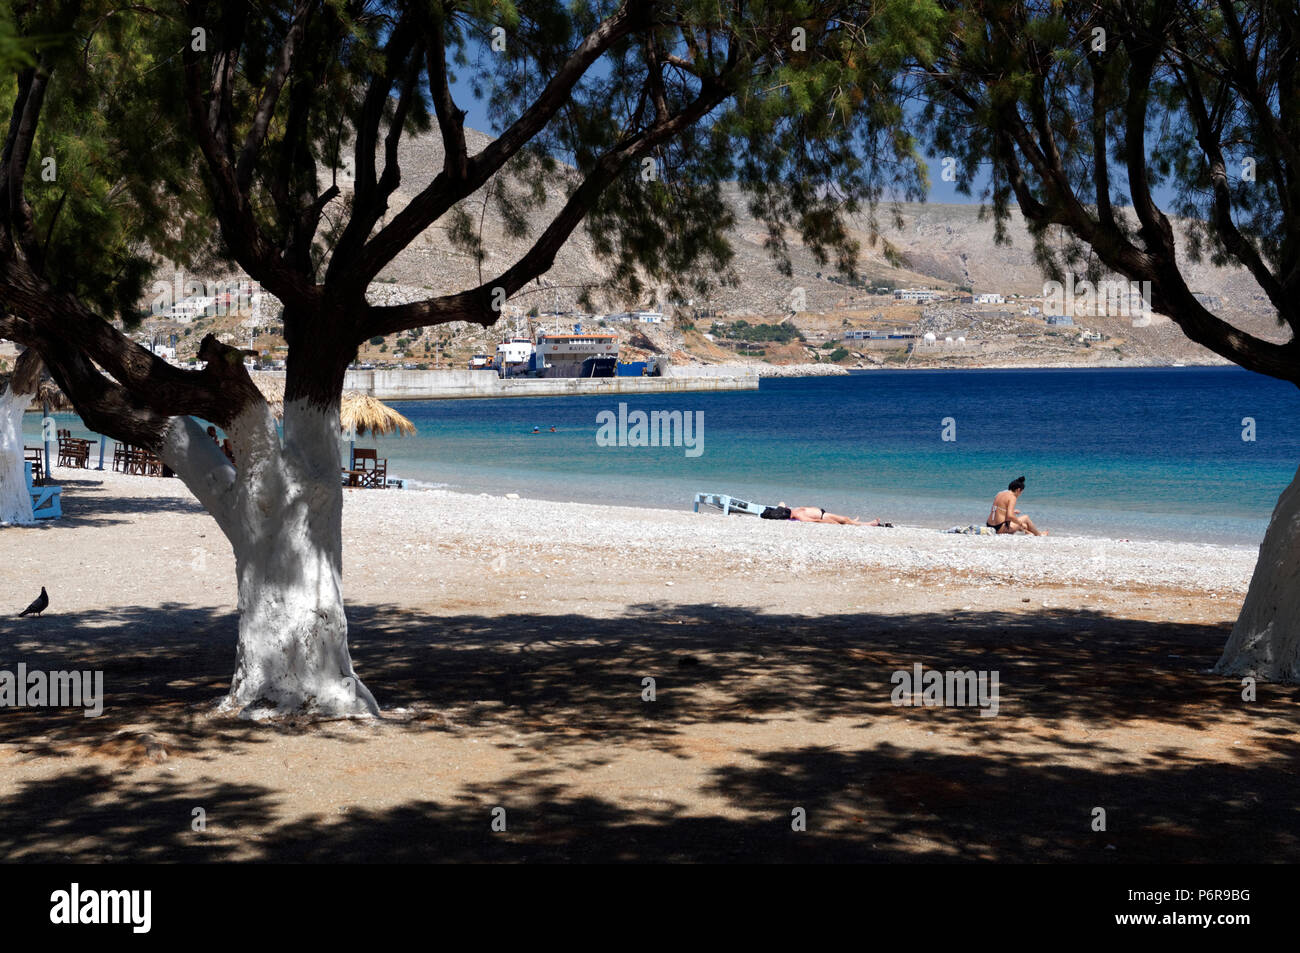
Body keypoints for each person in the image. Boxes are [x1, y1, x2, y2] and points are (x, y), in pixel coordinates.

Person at [762, 503, 882, 526]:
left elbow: (782, 504)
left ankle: (854, 521)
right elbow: (811, 521)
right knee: (845, 520)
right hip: (822, 516)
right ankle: (868, 524)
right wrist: (829, 522)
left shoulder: (795, 511)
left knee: (846, 519)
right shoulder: (797, 515)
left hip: (823, 513)